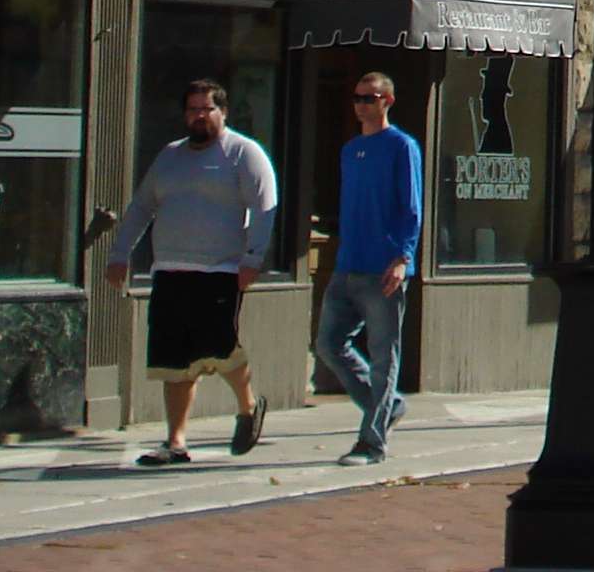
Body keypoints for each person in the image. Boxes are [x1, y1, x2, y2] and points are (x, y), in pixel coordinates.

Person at [106, 78, 277, 466]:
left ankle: (249, 407)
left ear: (223, 112)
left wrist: (252, 258)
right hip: (169, 270)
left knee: (220, 346)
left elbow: (265, 206)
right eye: (193, 110)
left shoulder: (243, 153)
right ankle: (176, 442)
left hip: (219, 270)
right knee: (173, 360)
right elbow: (141, 208)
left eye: (207, 109)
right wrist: (120, 253)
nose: (199, 116)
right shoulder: (169, 156)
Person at [317, 69, 421, 466]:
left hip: (384, 268)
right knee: (328, 345)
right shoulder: (350, 150)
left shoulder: (401, 146)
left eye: (370, 97)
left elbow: (411, 207)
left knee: (384, 357)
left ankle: (372, 443)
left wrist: (402, 258)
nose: (361, 104)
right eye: (357, 97)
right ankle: (387, 408)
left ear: (387, 101)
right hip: (347, 265)